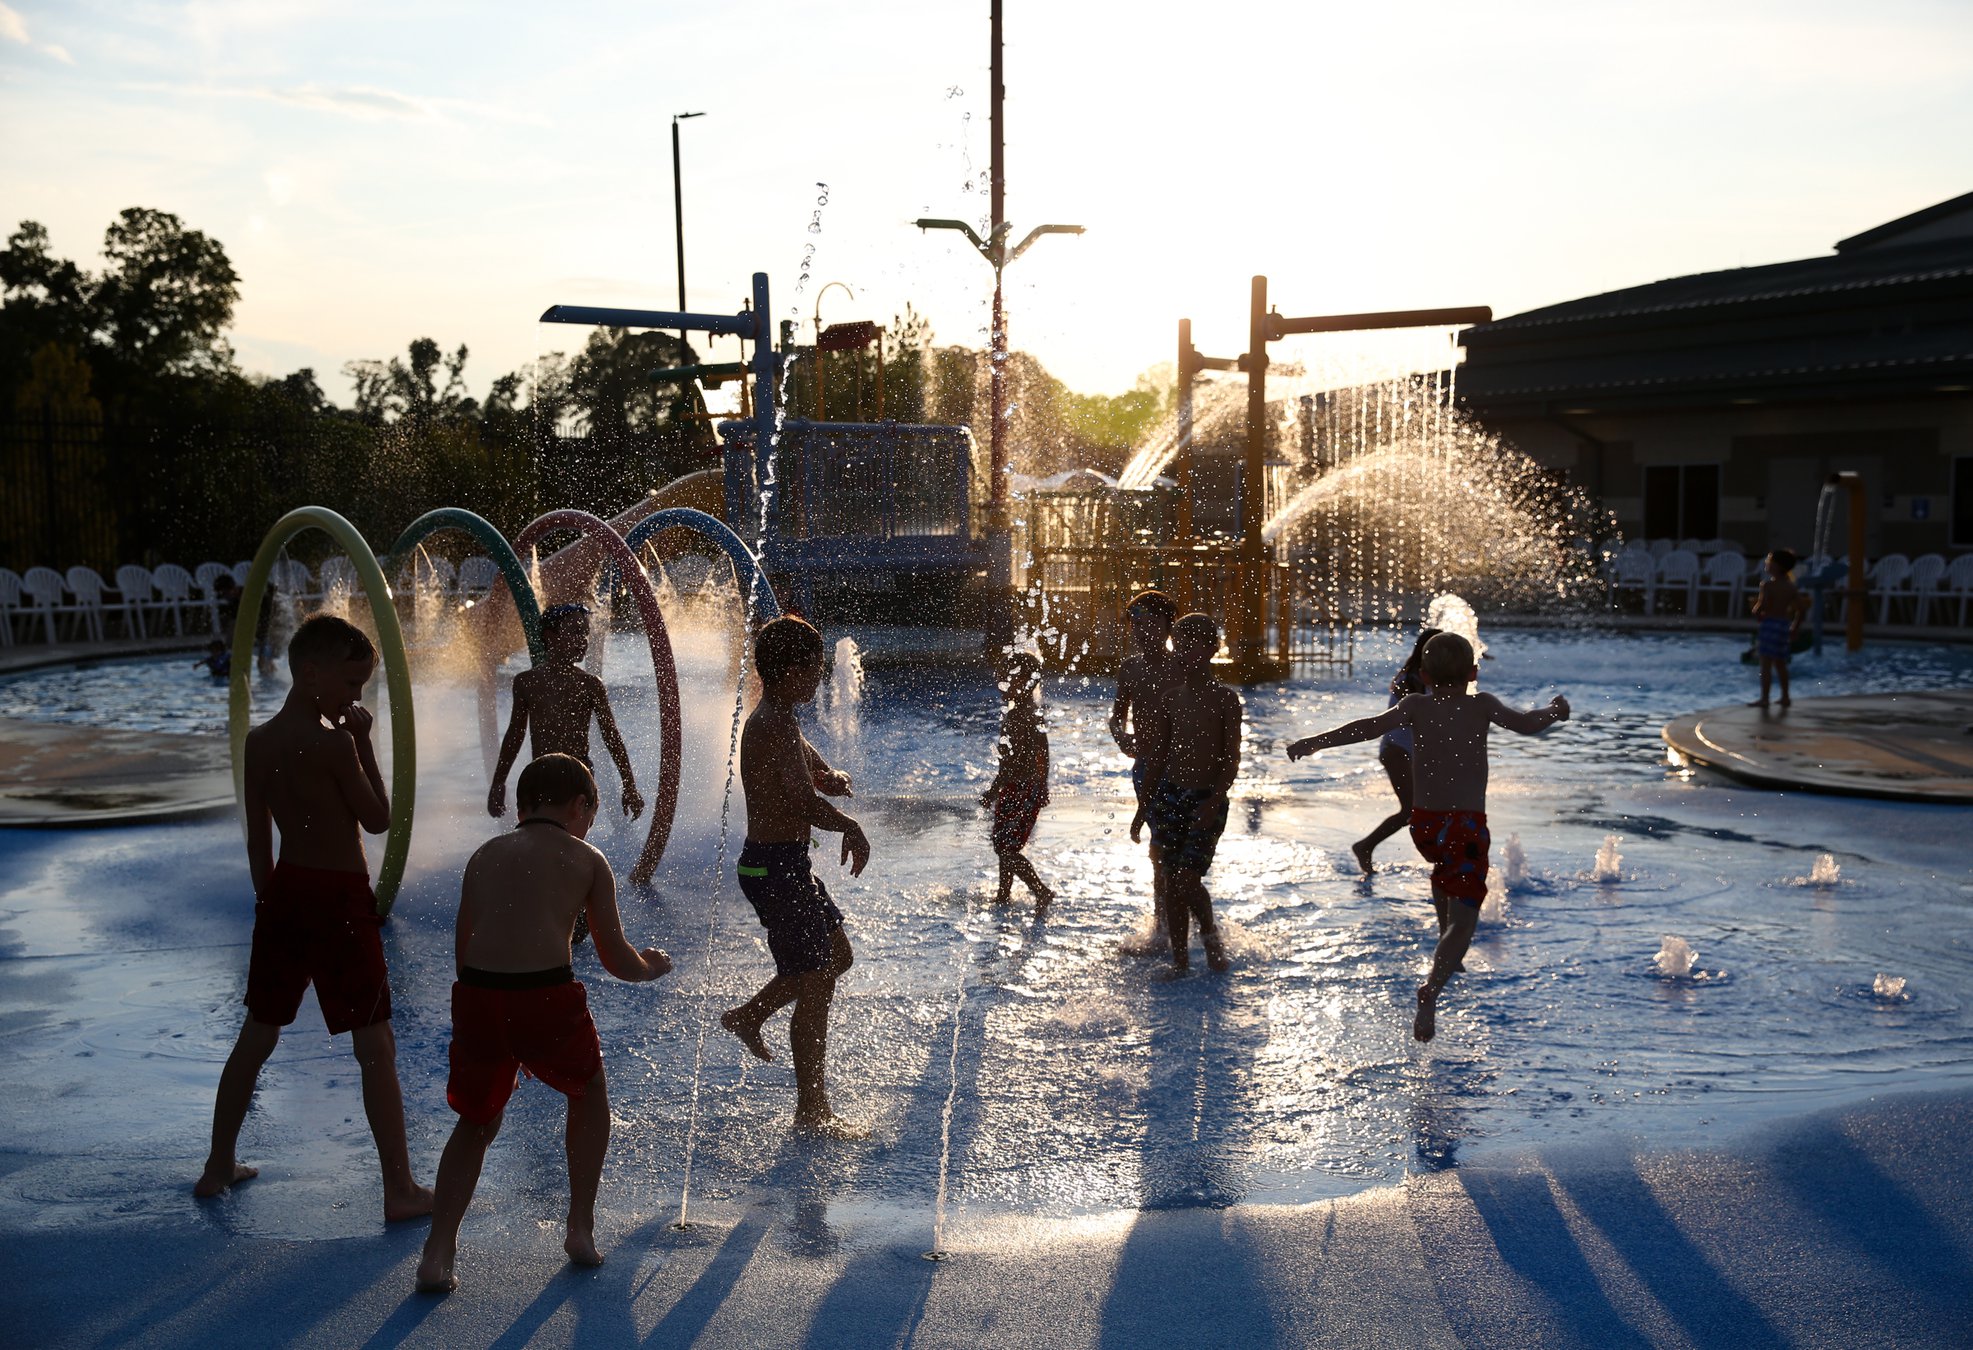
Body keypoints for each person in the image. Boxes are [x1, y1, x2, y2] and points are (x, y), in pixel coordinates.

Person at [193, 614, 432, 1220]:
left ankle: (218, 1163)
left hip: (283, 894)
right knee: (375, 1042)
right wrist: (368, 744)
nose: (356, 699)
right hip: (340, 899)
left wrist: (265, 903)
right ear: (310, 673)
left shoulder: (260, 742)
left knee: (259, 1032)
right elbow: (379, 819)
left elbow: (257, 842)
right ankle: (399, 1189)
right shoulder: (335, 743)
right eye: (352, 685)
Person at [414, 753, 671, 1293]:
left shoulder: (484, 855)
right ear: (581, 806)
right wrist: (653, 966)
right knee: (589, 1089)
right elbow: (616, 960)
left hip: (480, 996)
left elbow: (463, 952)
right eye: (590, 815)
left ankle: (437, 1253)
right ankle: (579, 1227)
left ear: (522, 804)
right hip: (545, 994)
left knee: (478, 1121)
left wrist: (504, 1029)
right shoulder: (587, 859)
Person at [1288, 632, 1569, 1041]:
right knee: (1466, 920)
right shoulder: (1483, 705)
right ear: (1474, 672)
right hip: (1466, 826)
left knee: (1443, 870)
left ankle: (1444, 944)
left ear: (1423, 674)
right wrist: (1555, 709)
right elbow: (1526, 724)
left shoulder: (1415, 704)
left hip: (1425, 825)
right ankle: (1433, 988)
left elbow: (1368, 728)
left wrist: (1317, 741)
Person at [719, 615, 869, 1135]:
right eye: (814, 669)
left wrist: (830, 774)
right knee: (816, 979)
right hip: (773, 867)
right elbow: (802, 800)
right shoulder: (771, 723)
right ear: (789, 671)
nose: (820, 679)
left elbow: (809, 770)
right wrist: (848, 825)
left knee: (835, 959)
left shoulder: (782, 718)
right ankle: (812, 1109)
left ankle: (750, 1016)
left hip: (786, 865)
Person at [1131, 612, 1241, 973]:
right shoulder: (1171, 699)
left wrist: (1214, 799)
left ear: (1213, 649)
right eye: (1179, 643)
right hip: (1168, 797)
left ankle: (1212, 942)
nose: (1183, 650)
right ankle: (1180, 960)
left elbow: (1230, 757)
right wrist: (1142, 808)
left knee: (1186, 880)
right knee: (1171, 879)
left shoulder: (1225, 700)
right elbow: (1158, 758)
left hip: (1205, 800)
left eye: (1193, 643)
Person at [487, 603, 644, 823]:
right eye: (575, 632)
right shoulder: (527, 682)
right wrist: (498, 782)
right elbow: (515, 735)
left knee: (570, 845)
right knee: (541, 843)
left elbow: (612, 736)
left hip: (579, 777)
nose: (583, 640)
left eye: (585, 633)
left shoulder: (590, 684)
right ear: (550, 636)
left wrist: (629, 785)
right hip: (541, 777)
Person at [1109, 590, 1177, 942]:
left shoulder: (1181, 666)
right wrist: (1121, 738)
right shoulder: (1130, 668)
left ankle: (1174, 920)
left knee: (1173, 846)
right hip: (1145, 766)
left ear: (1169, 626)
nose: (1143, 630)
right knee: (1158, 845)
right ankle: (1162, 921)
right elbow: (1117, 718)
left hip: (1180, 766)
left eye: (1152, 623)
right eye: (1137, 624)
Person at [1350, 627, 1441, 874]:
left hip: (1411, 752)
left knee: (1426, 807)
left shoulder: (1425, 677)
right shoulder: (1411, 679)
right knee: (1411, 810)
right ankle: (1365, 846)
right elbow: (1416, 714)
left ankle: (1438, 857)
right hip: (1396, 750)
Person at [981, 650, 1054, 905]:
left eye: (1006, 678)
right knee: (1004, 845)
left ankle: (1041, 891)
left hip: (1023, 789)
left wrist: (992, 790)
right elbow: (1033, 757)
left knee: (1006, 847)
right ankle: (1004, 893)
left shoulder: (1026, 717)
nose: (1000, 684)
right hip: (1016, 788)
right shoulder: (1020, 714)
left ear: (1025, 682)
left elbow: (1029, 758)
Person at [1750, 549, 1807, 709]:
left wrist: (1756, 611)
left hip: (1769, 625)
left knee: (1765, 664)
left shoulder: (1767, 585)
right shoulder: (1790, 587)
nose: (1766, 564)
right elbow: (1801, 609)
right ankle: (1785, 697)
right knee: (1781, 664)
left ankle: (1765, 698)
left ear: (1776, 566)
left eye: (1769, 561)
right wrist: (1794, 627)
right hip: (1783, 625)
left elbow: (1760, 608)